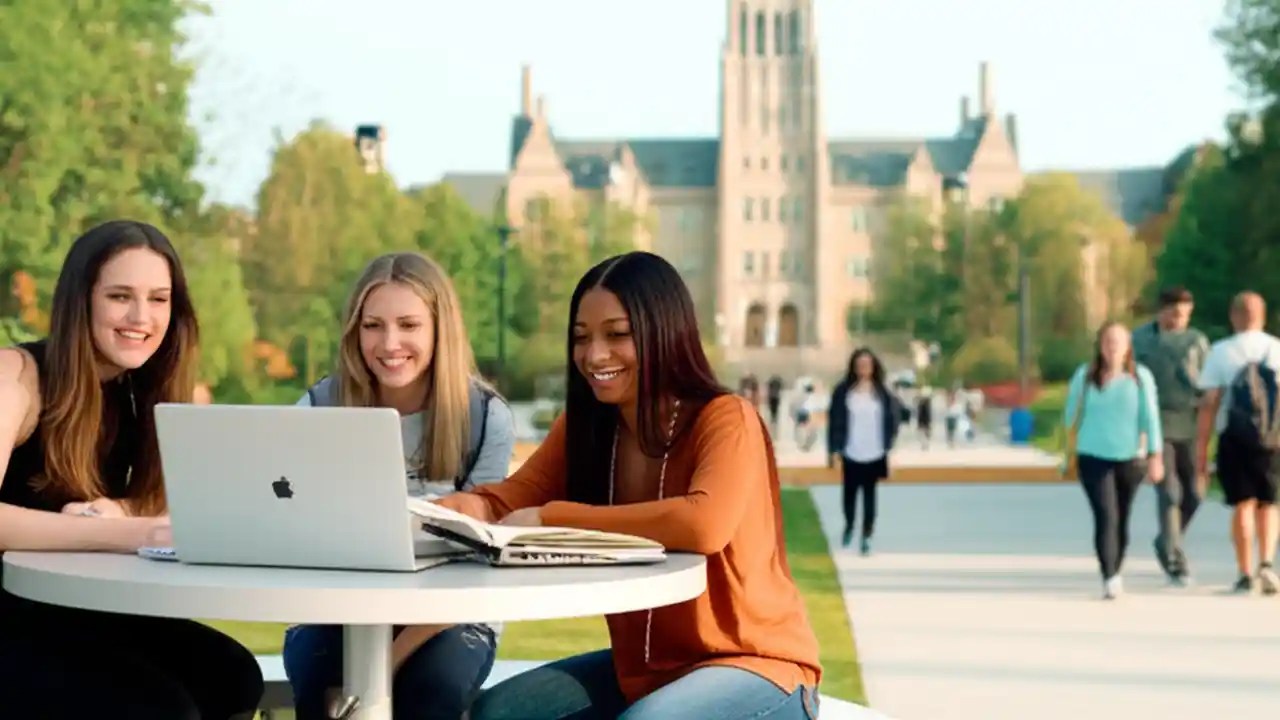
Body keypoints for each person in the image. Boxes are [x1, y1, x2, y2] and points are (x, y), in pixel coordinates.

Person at [439, 251, 822, 720]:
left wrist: (554, 518)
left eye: (617, 334)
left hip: (759, 666)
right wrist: (441, 511)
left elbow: (703, 524)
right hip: (645, 670)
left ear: (664, 331)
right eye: (581, 338)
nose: (594, 355)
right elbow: (507, 500)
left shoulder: (726, 419)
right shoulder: (588, 427)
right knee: (496, 714)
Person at [0, 220, 264, 718]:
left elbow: (165, 501)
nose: (141, 317)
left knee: (232, 677)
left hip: (76, 607)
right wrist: (132, 532)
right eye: (120, 296)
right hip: (10, 613)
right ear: (81, 301)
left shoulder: (147, 390)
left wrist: (119, 510)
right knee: (163, 709)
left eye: (159, 299)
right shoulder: (15, 377)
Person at [282, 252, 514, 719]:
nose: (389, 344)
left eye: (409, 325)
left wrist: (382, 665)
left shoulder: (485, 417)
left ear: (439, 330)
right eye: (373, 326)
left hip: (449, 618)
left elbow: (479, 564)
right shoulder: (319, 408)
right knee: (319, 685)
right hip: (337, 612)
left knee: (430, 690)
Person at [1063, 321, 1164, 600]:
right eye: (1108, 342)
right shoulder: (1085, 376)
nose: (1113, 348)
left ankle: (1116, 567)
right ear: (1100, 345)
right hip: (1093, 456)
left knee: (1121, 517)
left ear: (1128, 346)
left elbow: (1150, 418)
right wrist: (1068, 448)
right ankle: (1109, 575)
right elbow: (1070, 415)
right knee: (1105, 515)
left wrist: (1155, 454)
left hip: (1130, 458)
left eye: (1118, 342)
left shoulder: (1140, 377)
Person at [1194, 291, 1280, 595]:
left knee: (1243, 503)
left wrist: (1201, 451)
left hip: (1234, 438)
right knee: (1269, 504)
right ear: (1263, 316)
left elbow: (1209, 404)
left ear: (1234, 316)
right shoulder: (1276, 348)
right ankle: (1266, 564)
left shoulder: (1221, 351)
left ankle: (1244, 573)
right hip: (1272, 441)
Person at [1131, 285, 1209, 584]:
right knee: (1169, 491)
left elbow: (1208, 385)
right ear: (1161, 311)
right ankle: (1174, 558)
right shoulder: (1139, 340)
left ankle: (1167, 539)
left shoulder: (1196, 342)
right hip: (1155, 423)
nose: (1180, 320)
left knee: (1194, 494)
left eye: (1185, 315)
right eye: (1175, 313)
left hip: (1188, 424)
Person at [826, 347, 902, 554]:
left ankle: (867, 535)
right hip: (851, 451)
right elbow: (834, 422)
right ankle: (849, 524)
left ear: (874, 367)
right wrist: (834, 450)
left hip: (874, 451)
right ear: (853, 366)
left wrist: (889, 444)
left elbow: (893, 418)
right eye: (860, 364)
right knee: (849, 495)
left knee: (870, 495)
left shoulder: (882, 393)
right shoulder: (843, 391)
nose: (863, 368)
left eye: (867, 364)